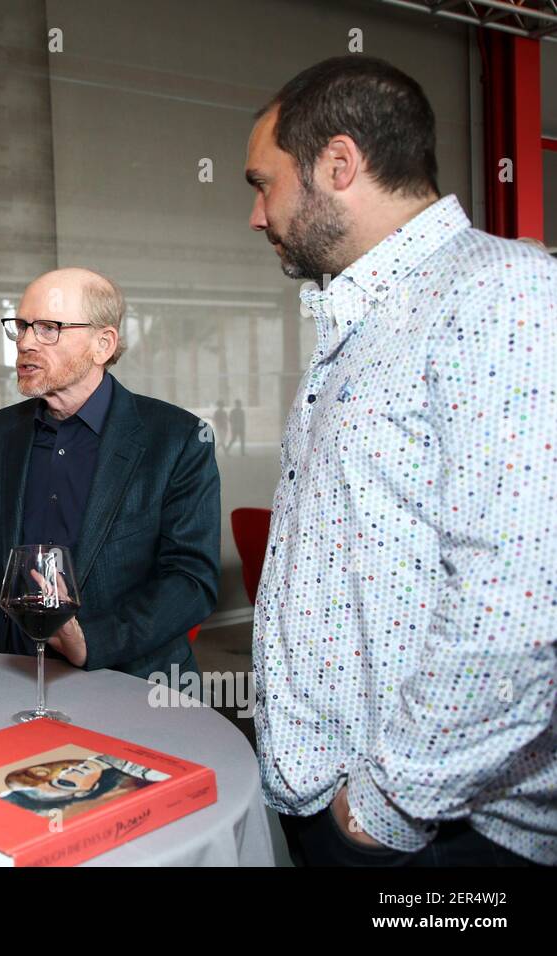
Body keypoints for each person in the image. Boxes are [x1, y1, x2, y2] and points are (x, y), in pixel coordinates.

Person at [245, 56, 555, 866]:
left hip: (436, 831)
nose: (256, 214)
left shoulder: (502, 293)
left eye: (263, 183)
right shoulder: (365, 319)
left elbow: (519, 610)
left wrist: (386, 805)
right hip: (350, 804)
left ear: (338, 165)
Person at [0, 268, 220, 682]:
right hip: (15, 675)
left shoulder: (177, 439)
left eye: (47, 328)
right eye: (21, 326)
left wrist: (89, 639)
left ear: (103, 344)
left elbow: (190, 582)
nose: (25, 342)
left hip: (133, 685)